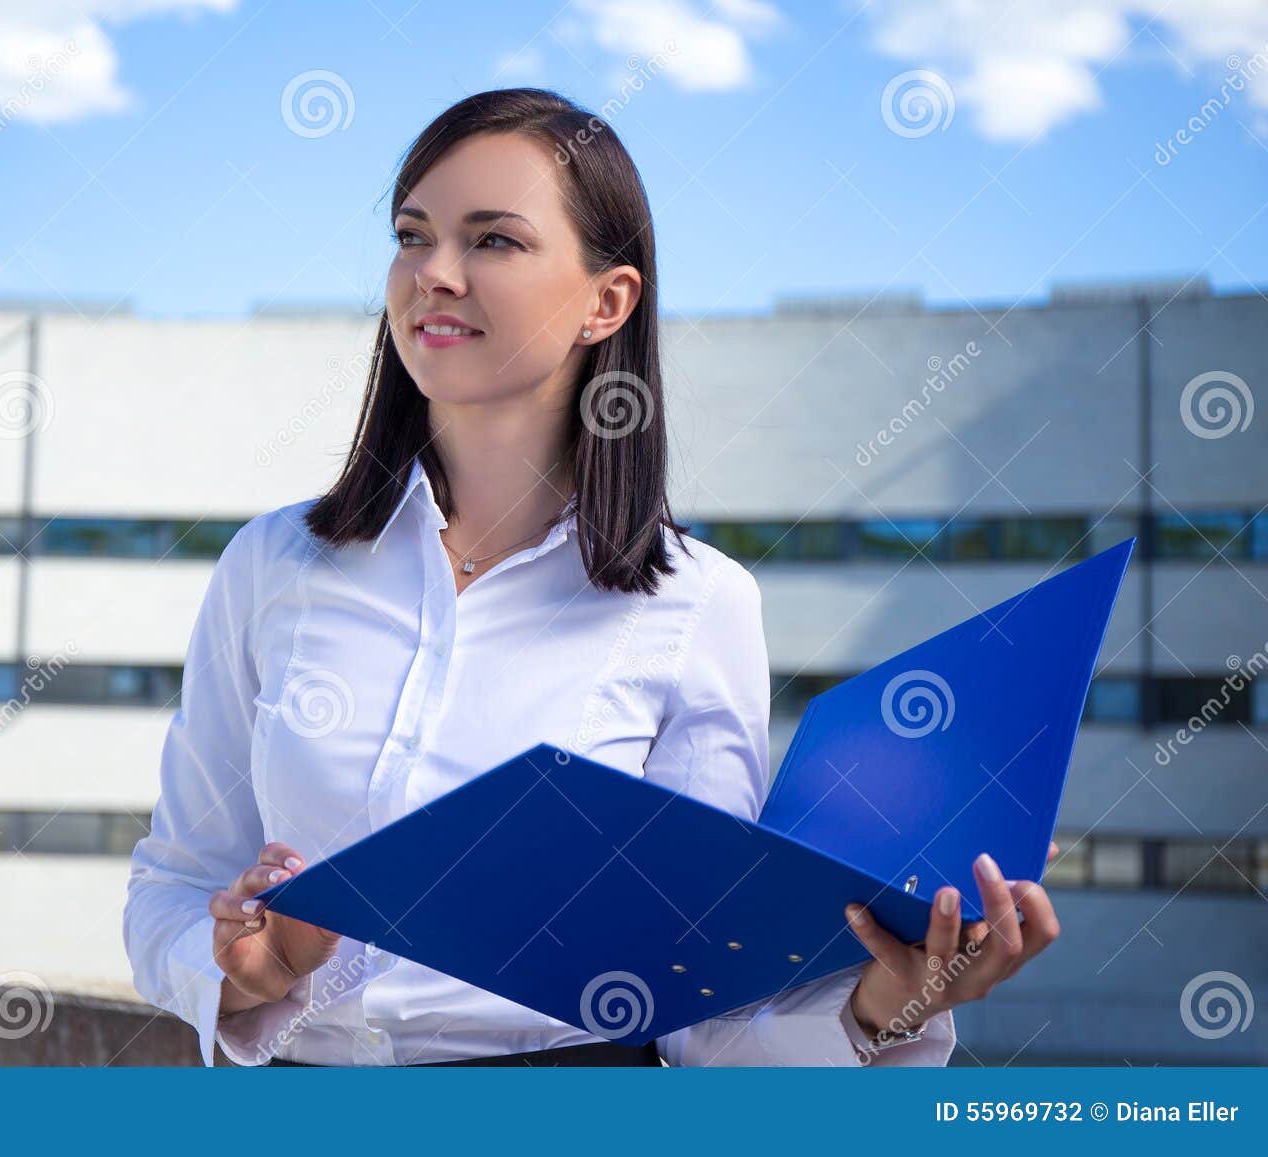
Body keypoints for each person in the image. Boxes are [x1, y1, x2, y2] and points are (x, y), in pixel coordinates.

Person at [123, 87, 1062, 1067]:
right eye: (412, 236)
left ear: (606, 302)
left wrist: (885, 1006)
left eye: (493, 240)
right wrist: (254, 969)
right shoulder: (274, 562)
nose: (434, 273)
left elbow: (705, 1003)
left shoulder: (695, 604)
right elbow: (173, 884)